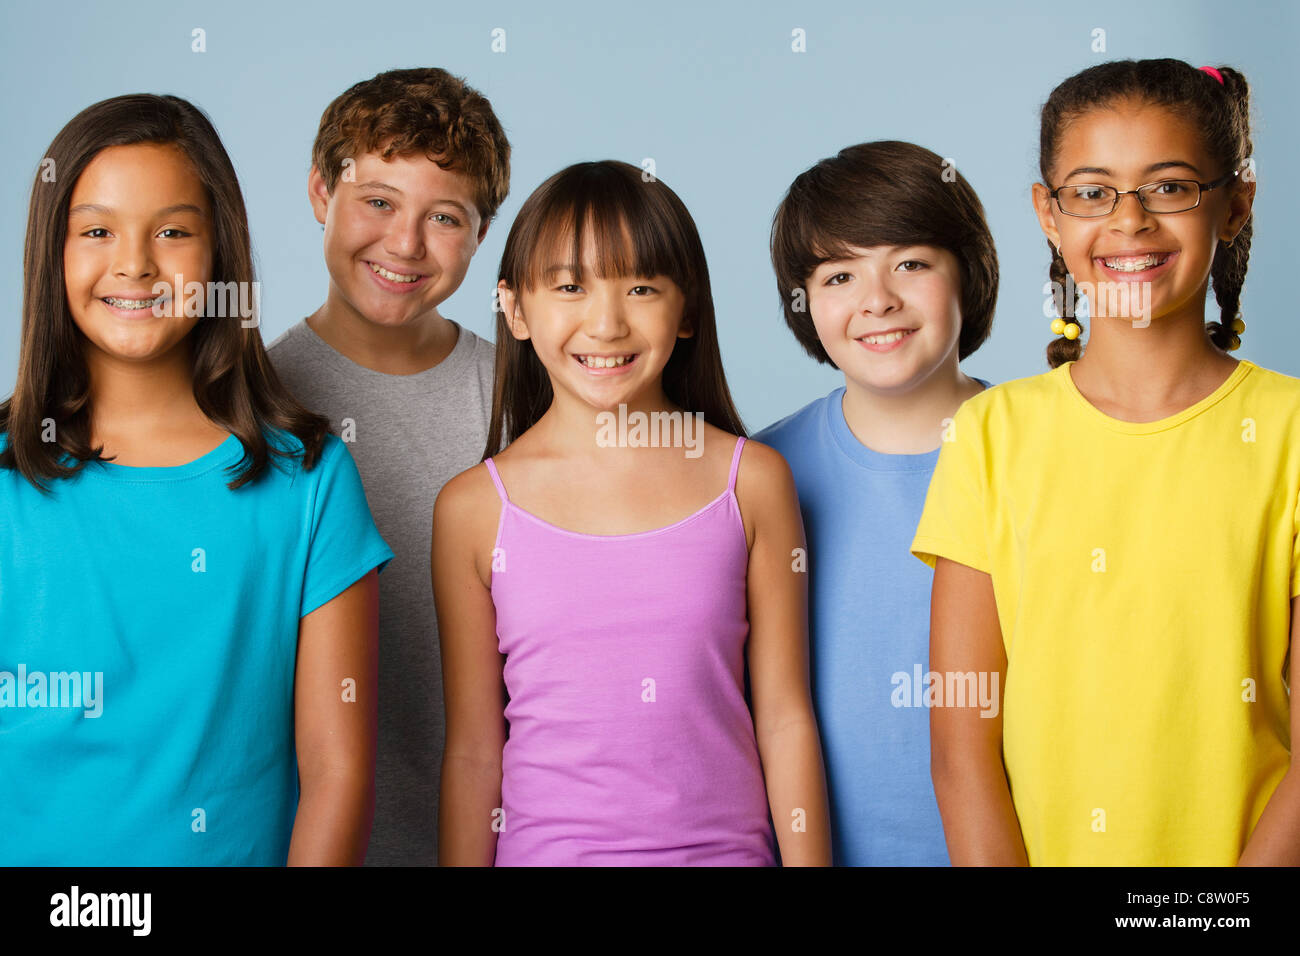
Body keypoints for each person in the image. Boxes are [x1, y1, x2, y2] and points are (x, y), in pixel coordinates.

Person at [913, 58, 1299, 865]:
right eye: (1092, 192)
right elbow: (961, 751)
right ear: (1048, 215)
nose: (1130, 222)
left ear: (1237, 204)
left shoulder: (1289, 430)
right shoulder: (989, 435)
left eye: (1169, 187)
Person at [0, 94, 392, 865]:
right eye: (97, 230)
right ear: (54, 252)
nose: (136, 263)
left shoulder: (309, 482)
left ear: (221, 253)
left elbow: (338, 772)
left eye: (174, 231)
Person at [434, 160, 831, 865]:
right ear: (516, 309)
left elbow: (786, 718)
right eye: (570, 287)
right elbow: (473, 751)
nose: (607, 322)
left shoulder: (753, 483)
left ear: (686, 311)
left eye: (642, 287)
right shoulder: (472, 510)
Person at [267, 68, 508, 865]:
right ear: (318, 192)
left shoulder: (521, 401)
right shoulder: (248, 406)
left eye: (445, 217)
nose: (405, 244)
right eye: (377, 201)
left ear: (481, 235)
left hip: (499, 837)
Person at [755, 140, 995, 865]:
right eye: (838, 275)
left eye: (912, 263)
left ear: (969, 275)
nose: (877, 300)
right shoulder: (760, 476)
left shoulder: (1045, 450)